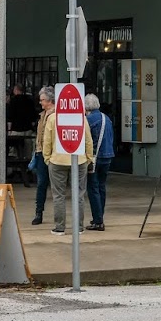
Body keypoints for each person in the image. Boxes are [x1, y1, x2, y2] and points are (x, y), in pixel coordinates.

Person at [47, 90, 92, 235]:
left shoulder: (53, 118)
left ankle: (60, 227)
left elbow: (47, 140)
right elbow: (88, 140)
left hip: (57, 160)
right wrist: (89, 157)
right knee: (79, 194)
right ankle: (78, 227)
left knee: (58, 195)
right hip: (79, 160)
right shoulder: (81, 118)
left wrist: (47, 157)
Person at [85, 93, 116, 231]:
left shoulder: (89, 120)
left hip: (95, 158)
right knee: (101, 187)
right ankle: (99, 216)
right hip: (107, 156)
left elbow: (87, 140)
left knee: (93, 188)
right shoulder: (106, 118)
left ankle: (98, 220)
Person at [30, 87, 54, 224]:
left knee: (55, 186)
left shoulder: (55, 115)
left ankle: (56, 215)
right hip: (40, 153)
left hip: (51, 154)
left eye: (42, 100)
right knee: (41, 184)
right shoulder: (42, 115)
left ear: (50, 100)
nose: (41, 102)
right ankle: (39, 212)